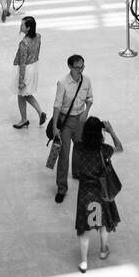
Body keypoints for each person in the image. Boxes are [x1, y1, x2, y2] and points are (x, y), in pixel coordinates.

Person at [72, 116, 123, 273]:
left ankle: (84, 262)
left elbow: (78, 167)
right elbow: (120, 147)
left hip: (85, 193)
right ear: (100, 133)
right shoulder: (105, 150)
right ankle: (102, 250)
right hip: (101, 193)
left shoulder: (78, 148)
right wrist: (111, 131)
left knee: (84, 230)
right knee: (103, 224)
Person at [50, 54, 93, 204]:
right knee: (64, 154)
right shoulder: (62, 83)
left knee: (79, 148)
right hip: (65, 120)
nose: (80, 70)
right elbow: (57, 105)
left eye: (82, 66)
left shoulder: (86, 80)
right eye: (77, 67)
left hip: (80, 118)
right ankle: (62, 188)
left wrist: (86, 111)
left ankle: (77, 173)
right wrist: (55, 126)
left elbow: (90, 98)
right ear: (70, 67)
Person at [13, 14, 46, 129]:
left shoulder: (24, 43)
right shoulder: (38, 37)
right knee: (25, 94)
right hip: (34, 67)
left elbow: (22, 63)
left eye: (22, 25)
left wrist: (21, 80)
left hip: (26, 69)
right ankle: (39, 113)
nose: (20, 26)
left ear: (28, 28)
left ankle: (24, 119)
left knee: (21, 93)